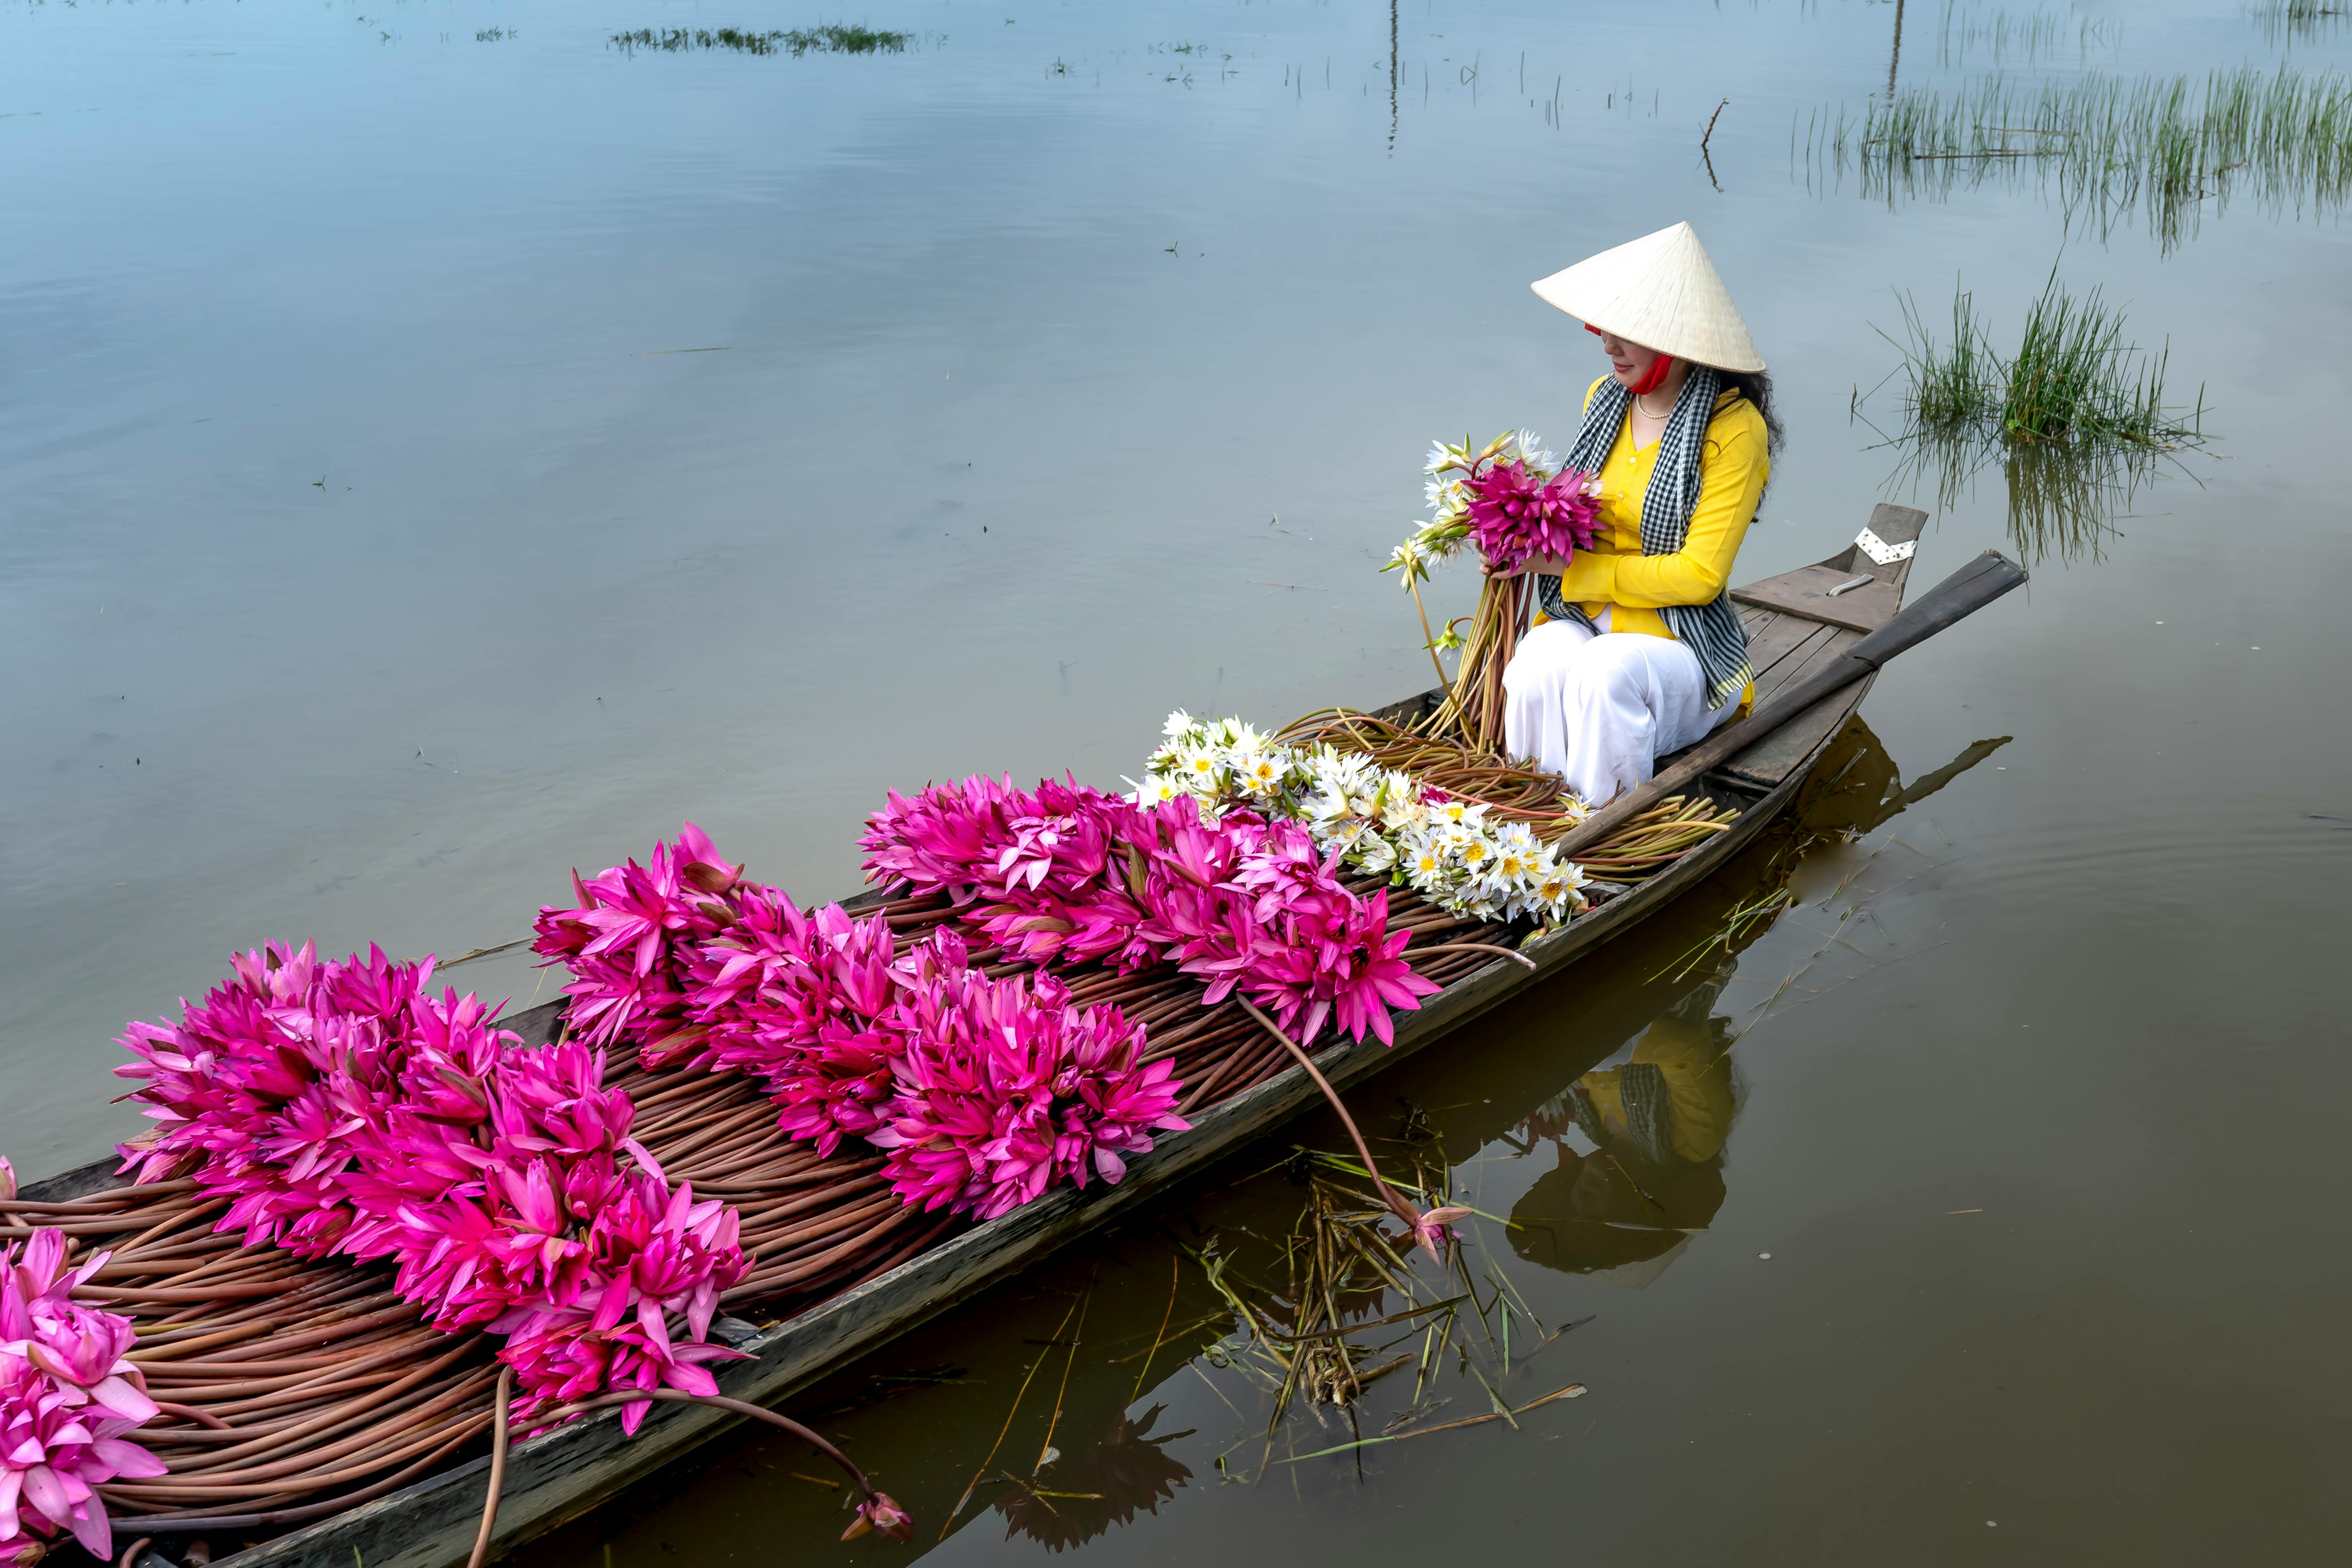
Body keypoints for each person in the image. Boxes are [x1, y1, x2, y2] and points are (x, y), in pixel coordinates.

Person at [1492, 222, 1783, 808]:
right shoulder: (1604, 399)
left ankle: (1602, 822)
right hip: (1587, 618)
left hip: (1682, 646)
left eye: (1628, 333)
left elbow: (1699, 578)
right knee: (1533, 667)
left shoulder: (1732, 429)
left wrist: (1571, 570)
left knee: (1604, 671)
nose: (1607, 344)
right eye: (1606, 329)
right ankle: (1526, 814)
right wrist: (1519, 544)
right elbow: (1572, 520)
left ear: (1675, 339)